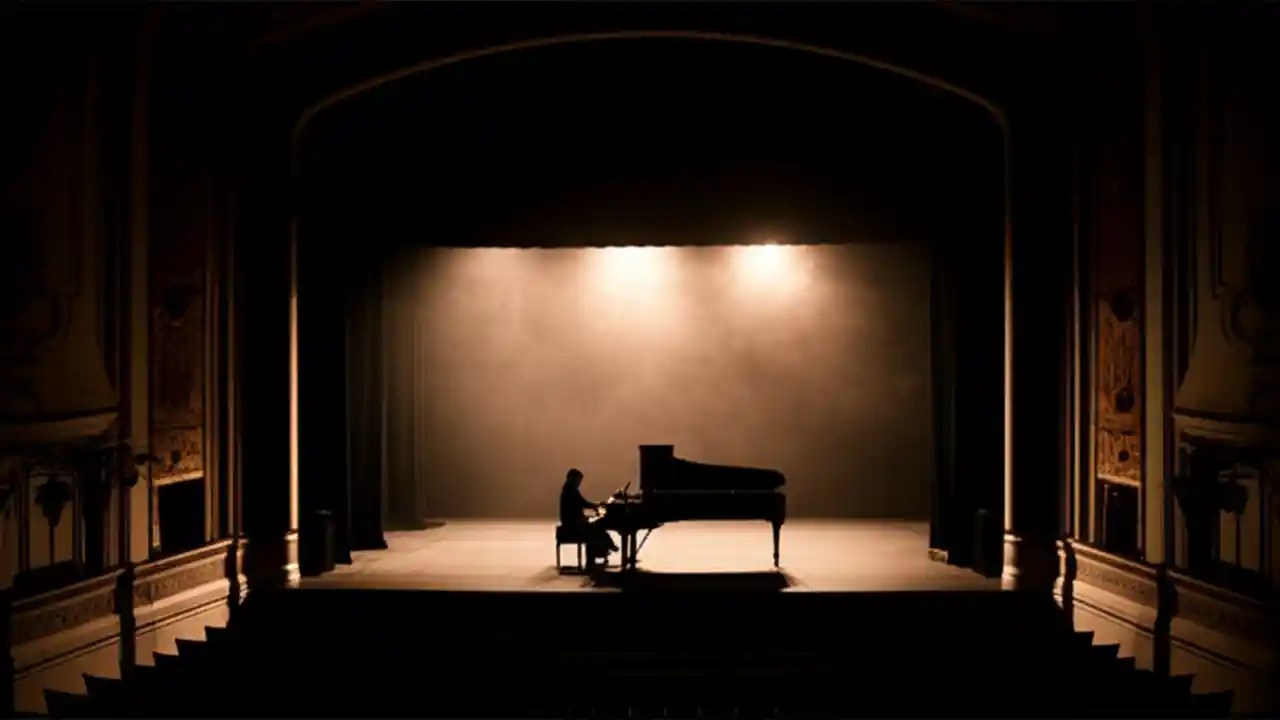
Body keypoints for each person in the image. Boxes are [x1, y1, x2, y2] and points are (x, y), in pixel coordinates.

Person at [559, 468, 618, 565]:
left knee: (596, 527)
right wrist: (599, 505)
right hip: (572, 525)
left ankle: (604, 549)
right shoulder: (570, 492)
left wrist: (597, 506)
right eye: (578, 480)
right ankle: (597, 556)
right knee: (595, 530)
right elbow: (584, 504)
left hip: (572, 522)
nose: (579, 483)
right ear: (573, 479)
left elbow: (581, 505)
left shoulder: (569, 490)